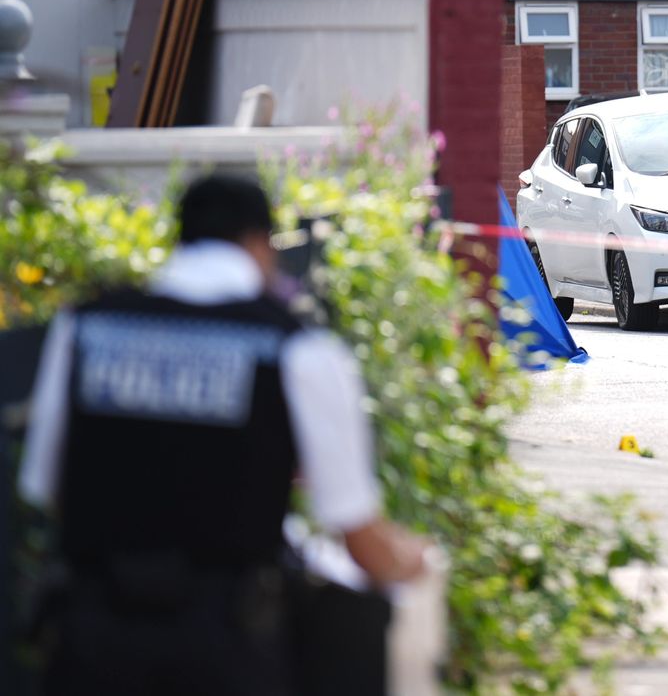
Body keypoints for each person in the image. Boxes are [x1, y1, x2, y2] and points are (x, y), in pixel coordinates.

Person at [19, 173, 428, 696]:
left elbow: (45, 485)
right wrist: (409, 561)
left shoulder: (86, 326)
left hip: (91, 643)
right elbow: (354, 528)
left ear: (180, 236)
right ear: (261, 245)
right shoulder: (295, 346)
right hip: (226, 648)